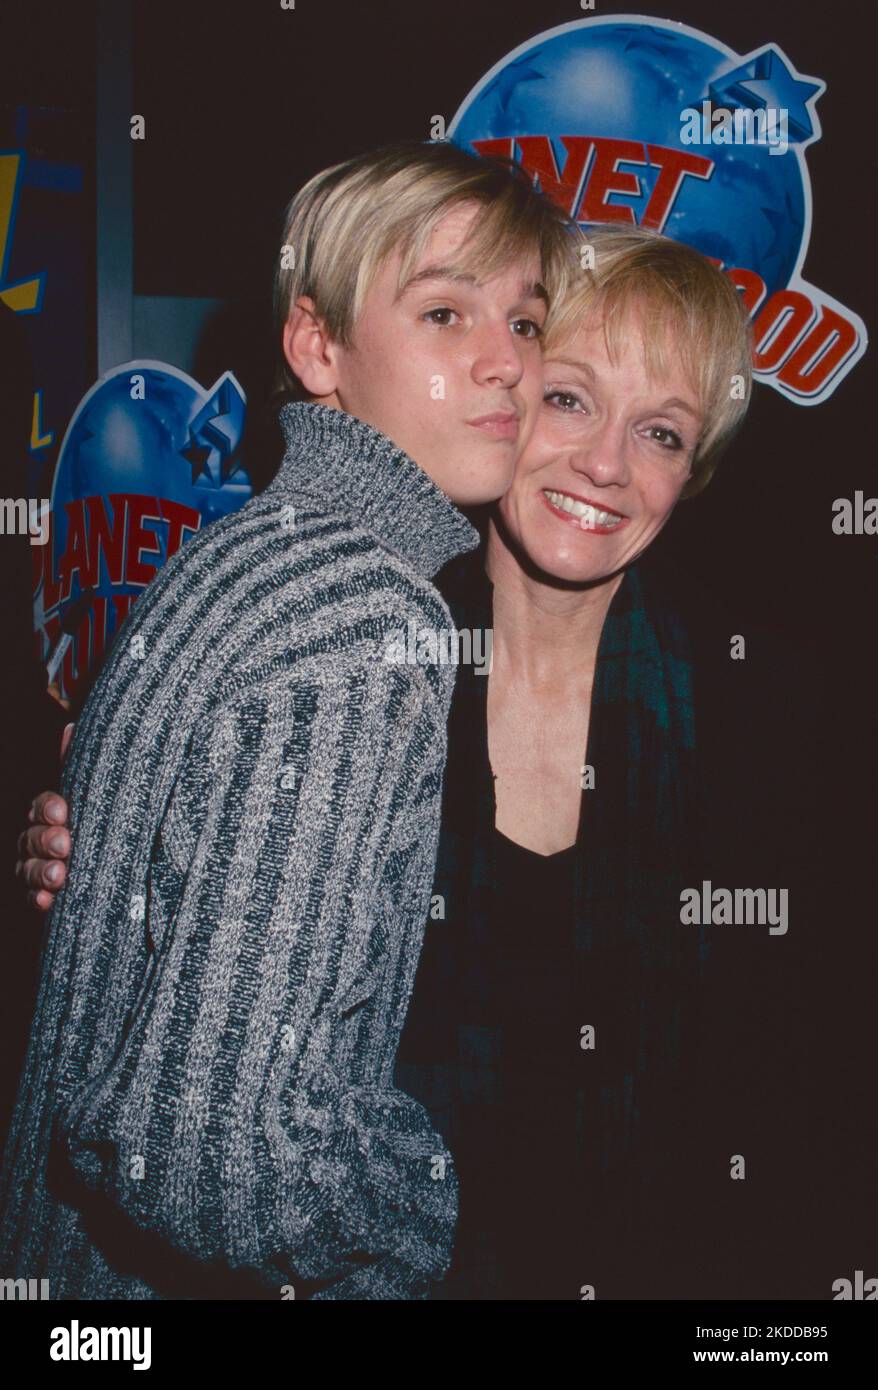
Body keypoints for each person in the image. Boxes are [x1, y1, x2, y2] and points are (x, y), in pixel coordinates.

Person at [15, 227, 834, 1301]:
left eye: (662, 433)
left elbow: (794, 1090)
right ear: (507, 393)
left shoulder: (758, 718)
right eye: (572, 400)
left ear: (695, 470)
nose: (604, 466)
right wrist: (107, 860)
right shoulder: (354, 648)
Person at [0, 137, 577, 1301]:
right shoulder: (370, 618)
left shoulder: (236, 549)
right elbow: (206, 1159)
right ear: (318, 346)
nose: (504, 364)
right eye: (443, 314)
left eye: (522, 322)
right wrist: (421, 1207)